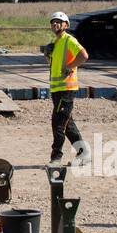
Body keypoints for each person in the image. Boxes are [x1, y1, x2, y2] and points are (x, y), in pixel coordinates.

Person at [44, 11, 91, 168]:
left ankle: (55, 158)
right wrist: (47, 54)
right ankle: (83, 154)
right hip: (57, 90)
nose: (55, 24)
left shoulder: (69, 40)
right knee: (67, 124)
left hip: (67, 90)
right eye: (53, 22)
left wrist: (70, 67)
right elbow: (55, 65)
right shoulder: (56, 44)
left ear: (65, 25)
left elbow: (84, 56)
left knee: (58, 123)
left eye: (59, 22)